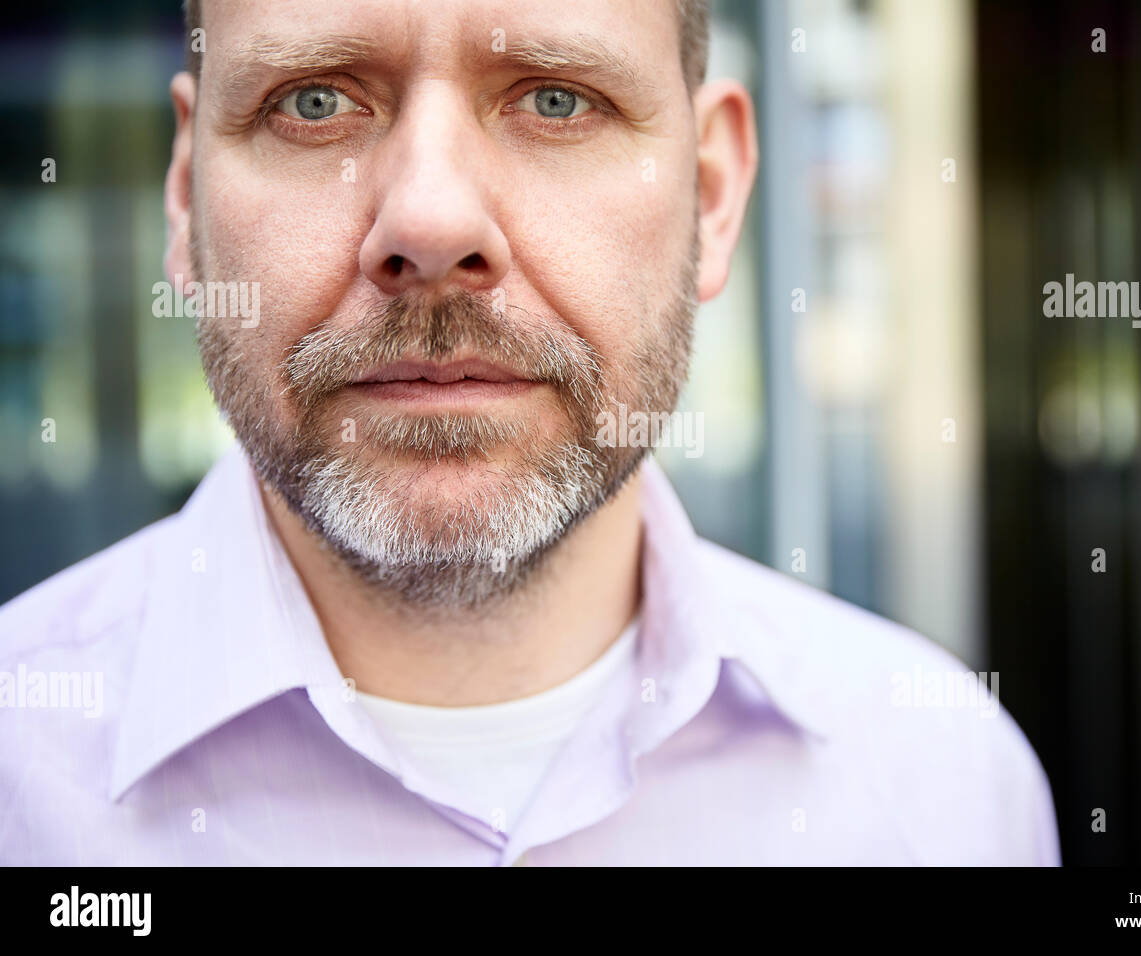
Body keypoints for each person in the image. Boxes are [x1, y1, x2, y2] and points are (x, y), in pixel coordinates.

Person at [0, 0, 1059, 865]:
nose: (430, 224)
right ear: (187, 199)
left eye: (557, 99)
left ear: (711, 192)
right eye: (314, 101)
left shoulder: (946, 791)